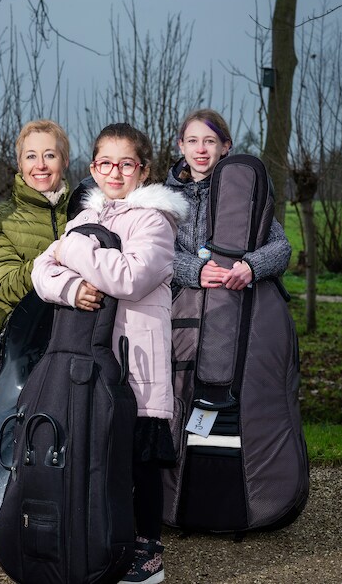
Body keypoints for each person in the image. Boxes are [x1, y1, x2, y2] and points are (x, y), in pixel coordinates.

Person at [32, 123, 185, 584]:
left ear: (144, 169)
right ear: (93, 167)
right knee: (97, 452)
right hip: (90, 355)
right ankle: (101, 540)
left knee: (139, 458)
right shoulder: (85, 218)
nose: (115, 173)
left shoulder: (155, 221)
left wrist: (73, 249)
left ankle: (147, 553)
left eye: (126, 164)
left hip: (136, 358)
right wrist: (73, 287)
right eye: (105, 163)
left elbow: (129, 278)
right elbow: (41, 271)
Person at [0, 119, 72, 545]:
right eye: (31, 156)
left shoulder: (86, 213)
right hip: (5, 346)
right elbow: (7, 283)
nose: (40, 165)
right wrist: (64, 253)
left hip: (68, 340)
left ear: (64, 161)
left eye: (49, 155)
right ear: (18, 163)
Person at [165, 109, 291, 292]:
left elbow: (281, 248)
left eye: (209, 141)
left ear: (225, 146)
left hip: (232, 304)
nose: (200, 149)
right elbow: (155, 255)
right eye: (192, 141)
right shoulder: (164, 198)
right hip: (178, 305)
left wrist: (251, 267)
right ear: (181, 146)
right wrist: (194, 270)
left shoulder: (243, 193)